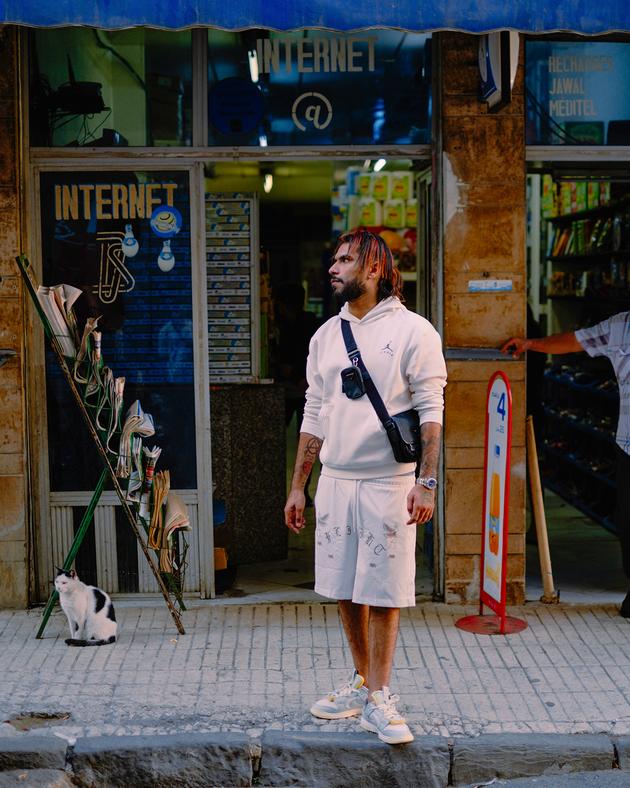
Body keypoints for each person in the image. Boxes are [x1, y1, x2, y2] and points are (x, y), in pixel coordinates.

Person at [284, 229, 447, 744]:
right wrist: (298, 486)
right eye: (333, 259)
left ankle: (380, 697)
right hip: (335, 480)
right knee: (345, 587)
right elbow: (314, 412)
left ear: (374, 270)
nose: (333, 268)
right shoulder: (325, 336)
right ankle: (363, 683)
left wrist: (426, 482)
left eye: (345, 260)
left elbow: (432, 412)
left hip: (388, 482)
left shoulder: (415, 331)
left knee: (383, 590)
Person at [501, 312, 630, 616]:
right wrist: (531, 344)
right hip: (628, 445)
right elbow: (575, 341)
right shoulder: (622, 326)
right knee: (628, 521)